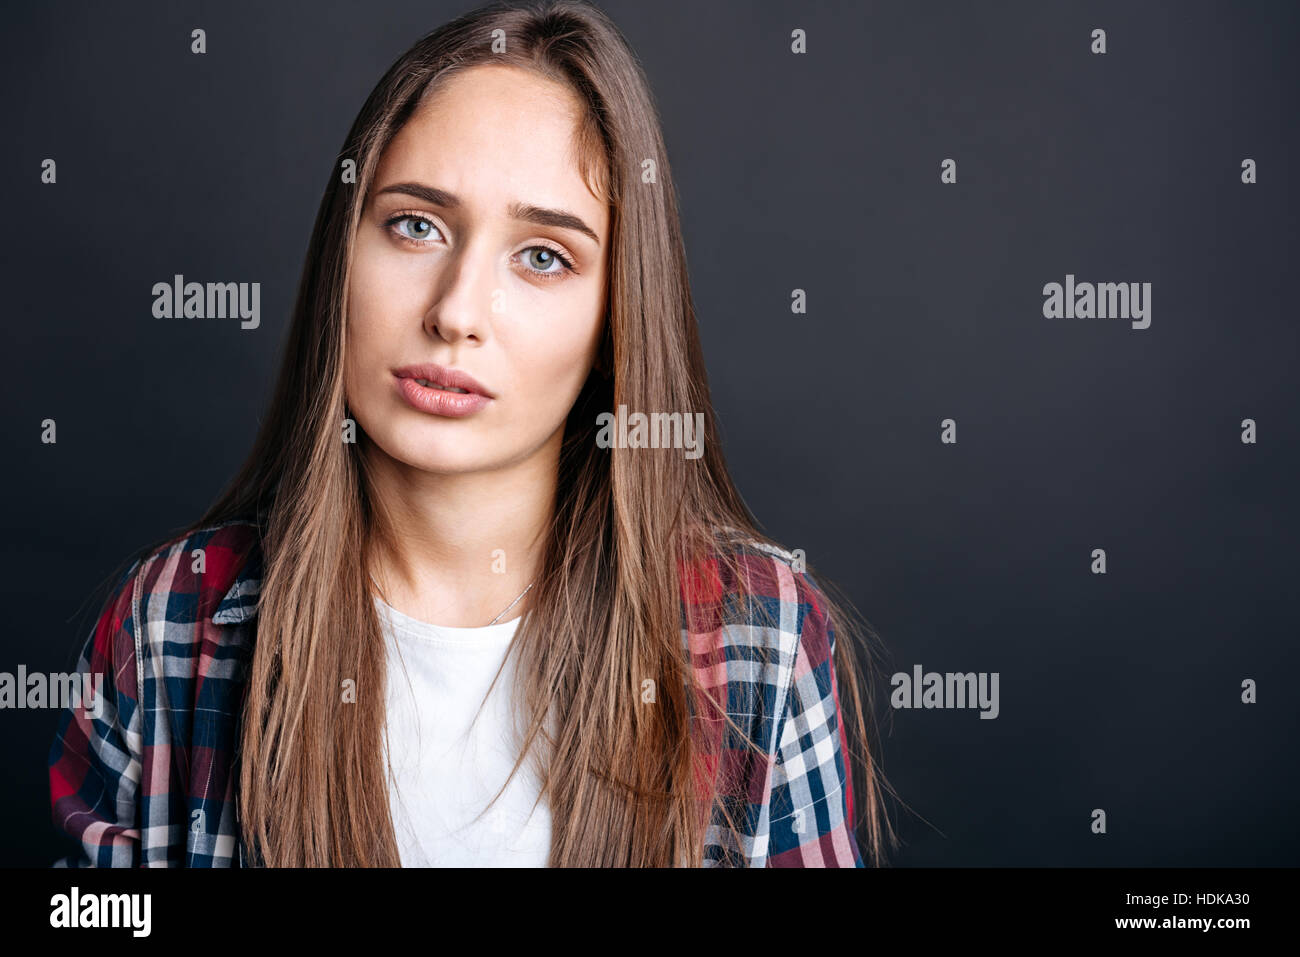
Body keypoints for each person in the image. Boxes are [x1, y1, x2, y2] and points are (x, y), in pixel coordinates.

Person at [48, 0, 896, 867]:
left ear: (616, 323)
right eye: (416, 225)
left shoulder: (758, 643)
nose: (456, 312)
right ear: (342, 252)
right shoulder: (169, 623)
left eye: (543, 256)